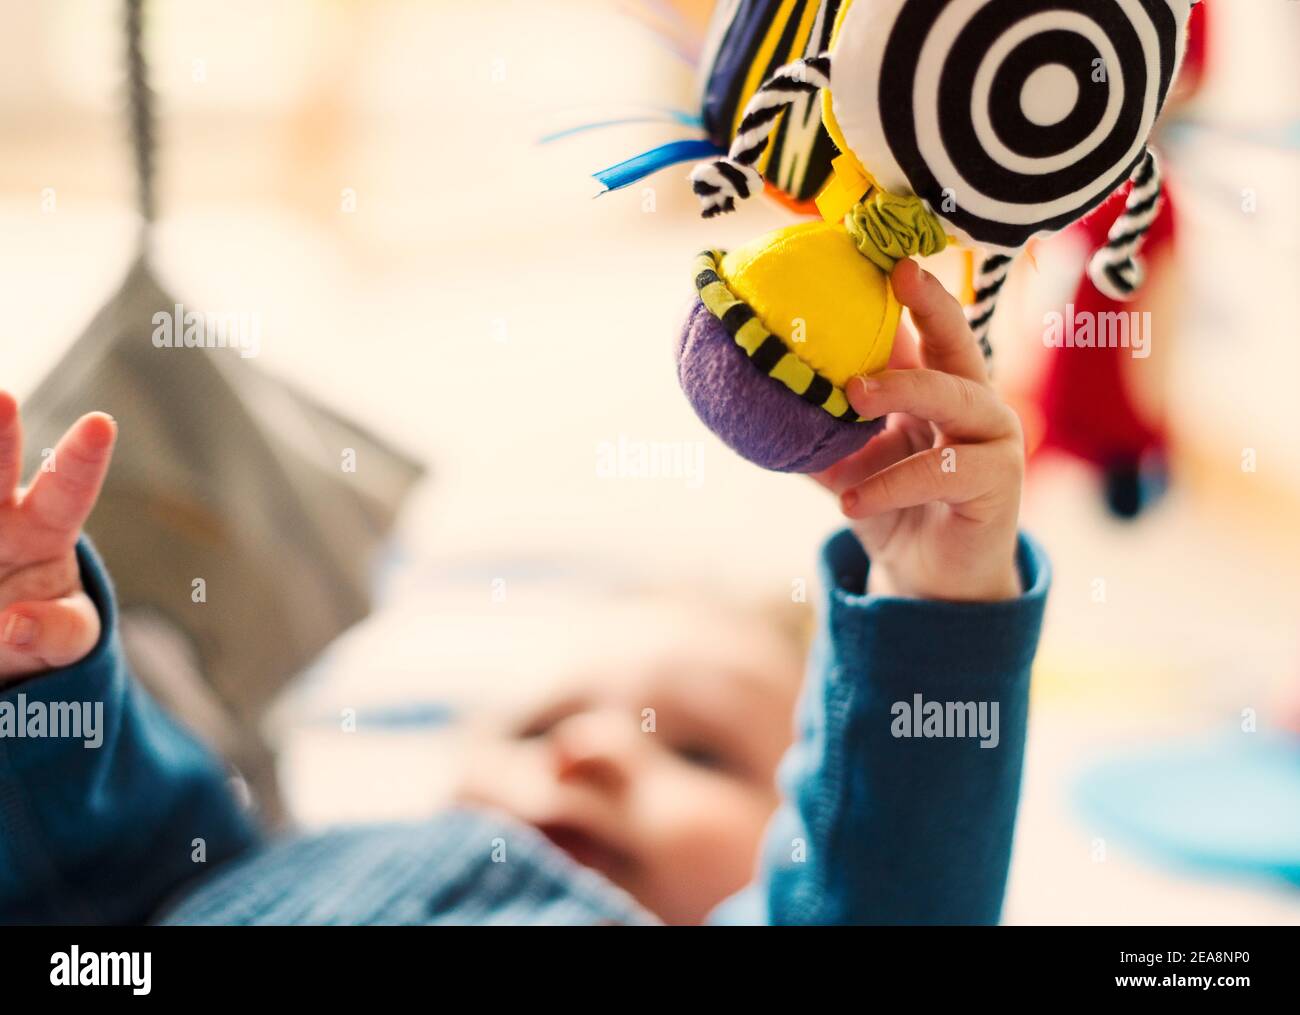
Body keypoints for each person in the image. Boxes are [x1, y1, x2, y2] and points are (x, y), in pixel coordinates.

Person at [0, 260, 1049, 925]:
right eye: (534, 725)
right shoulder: (294, 857)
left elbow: (885, 884)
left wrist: (927, 606)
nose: (587, 749)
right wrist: (43, 680)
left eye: (697, 753)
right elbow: (98, 873)